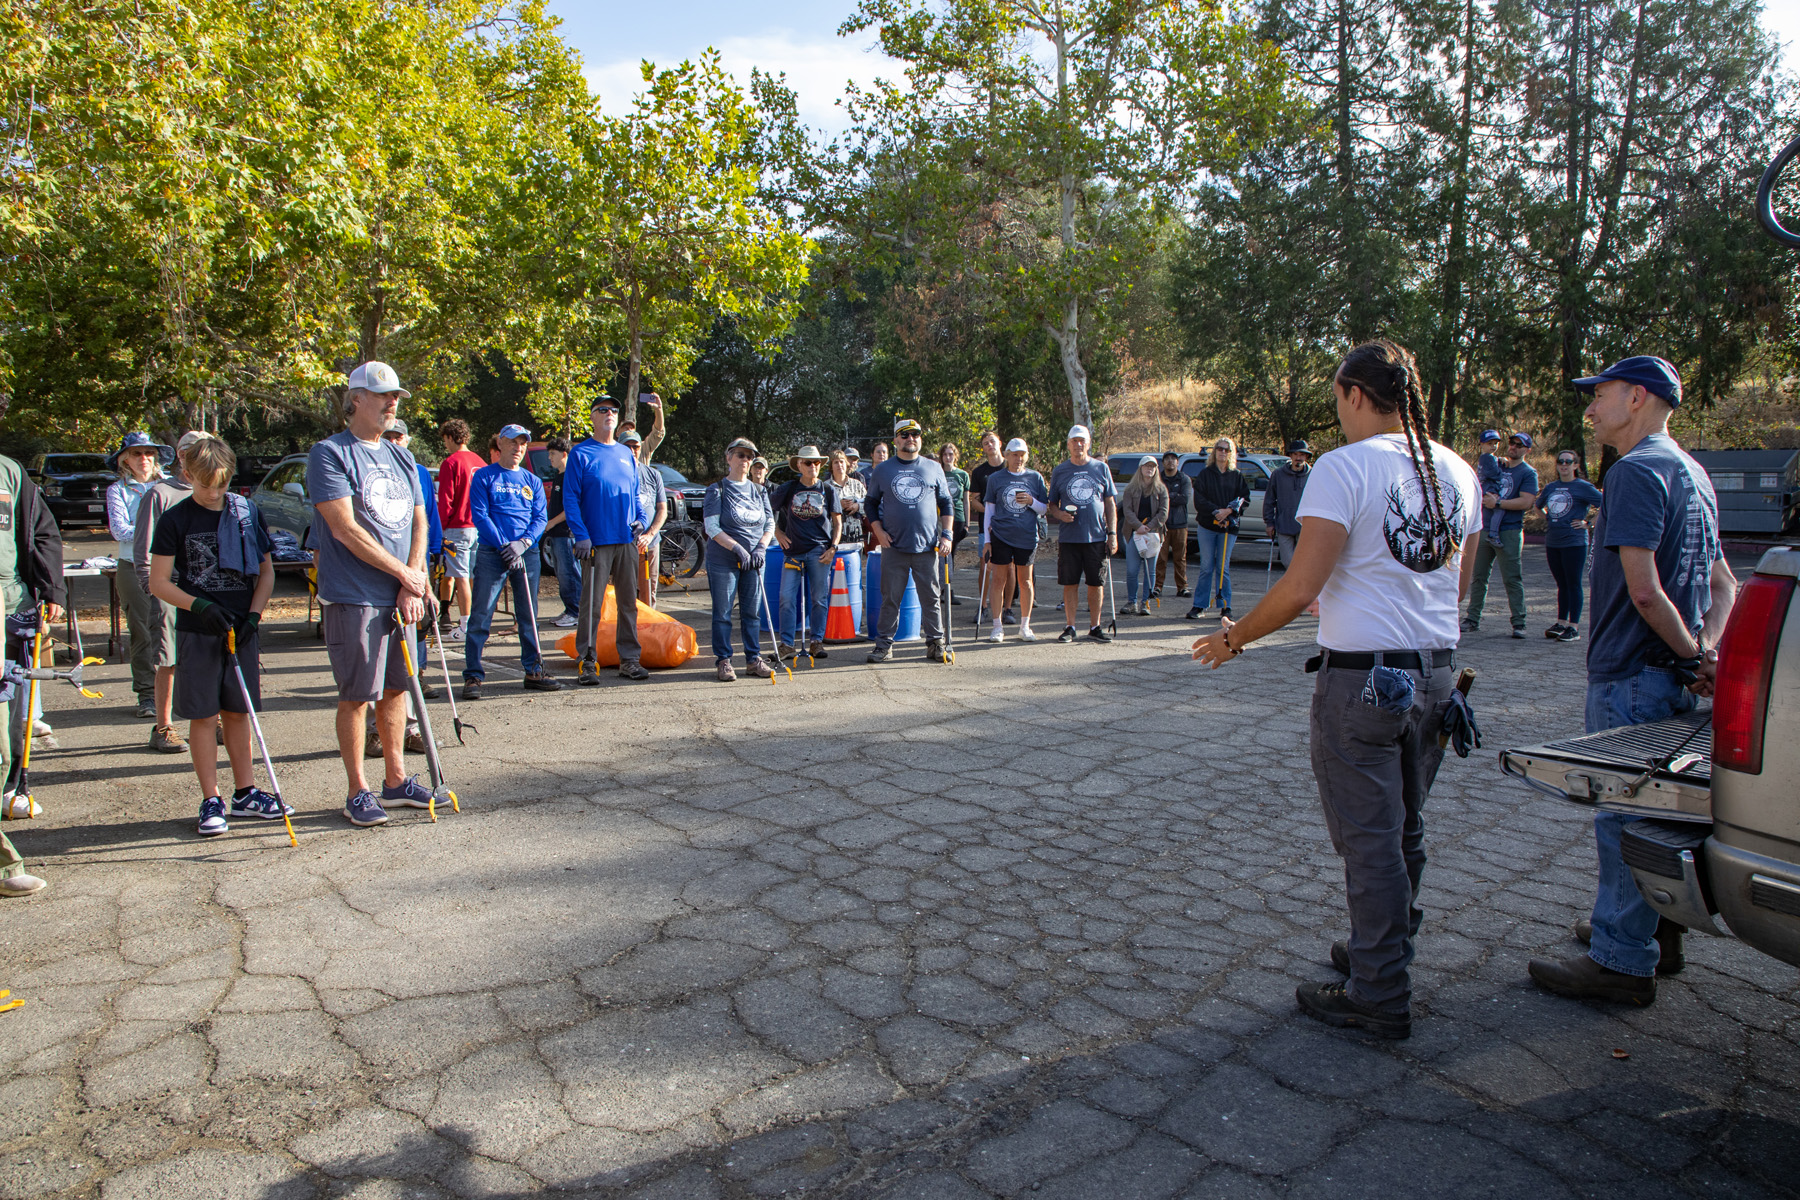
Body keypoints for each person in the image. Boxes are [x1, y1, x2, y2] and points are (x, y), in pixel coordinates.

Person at [1192, 338, 1479, 1040]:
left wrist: (1233, 638)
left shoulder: (1343, 467)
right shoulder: (1458, 470)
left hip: (1364, 681)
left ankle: (1378, 991)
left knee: (1371, 839)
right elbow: (1456, 586)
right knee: (1405, 826)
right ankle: (1384, 947)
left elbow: (1300, 587)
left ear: (1354, 393)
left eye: (1337, 400)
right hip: (1437, 673)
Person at [1528, 356, 1736, 1007]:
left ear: (1638, 397)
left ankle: (1620, 959)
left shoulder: (1635, 471)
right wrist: (1705, 652)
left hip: (1633, 674)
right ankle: (1657, 931)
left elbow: (1644, 592)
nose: (1590, 410)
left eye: (1601, 395)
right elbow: (1725, 583)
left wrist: (1689, 654)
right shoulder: (1693, 473)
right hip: (1671, 675)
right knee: (1663, 812)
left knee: (1623, 814)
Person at [309, 361, 437, 828]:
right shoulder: (329, 453)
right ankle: (357, 791)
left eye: (396, 396)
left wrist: (412, 580)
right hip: (354, 593)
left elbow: (419, 521)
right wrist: (404, 574)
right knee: (358, 694)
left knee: (399, 687)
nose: (392, 403)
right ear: (356, 399)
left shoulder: (402, 456)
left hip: (401, 594)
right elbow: (344, 529)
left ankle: (396, 781)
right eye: (384, 395)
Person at [147, 433, 287, 838]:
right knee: (205, 716)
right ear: (188, 474)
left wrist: (254, 616)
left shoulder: (247, 512)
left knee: (239, 712)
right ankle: (211, 798)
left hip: (241, 629)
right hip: (200, 629)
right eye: (206, 485)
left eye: (222, 484)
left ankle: (246, 792)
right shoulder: (175, 519)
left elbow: (266, 572)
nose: (215, 493)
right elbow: (158, 582)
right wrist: (200, 606)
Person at [0, 447, 66, 891]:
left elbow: (42, 531)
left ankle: (11, 788)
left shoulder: (9, 472)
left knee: (8, 724)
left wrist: (50, 587)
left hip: (9, 606)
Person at [461, 423, 560, 699]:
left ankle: (534, 670)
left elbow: (540, 518)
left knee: (528, 614)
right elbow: (480, 515)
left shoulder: (532, 481)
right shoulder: (484, 476)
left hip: (526, 553)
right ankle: (473, 676)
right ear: (500, 444)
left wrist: (523, 543)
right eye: (513, 442)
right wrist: (504, 544)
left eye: (523, 443)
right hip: (493, 553)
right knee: (481, 614)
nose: (518, 448)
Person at [564, 397, 651, 684]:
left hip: (626, 539)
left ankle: (629, 659)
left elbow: (636, 494)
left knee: (628, 603)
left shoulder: (626, 454)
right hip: (595, 542)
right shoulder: (581, 453)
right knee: (591, 604)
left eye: (613, 410)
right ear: (592, 417)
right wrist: (581, 535)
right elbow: (570, 499)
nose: (609, 414)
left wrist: (641, 519)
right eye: (602, 410)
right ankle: (587, 660)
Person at [866, 418, 954, 663]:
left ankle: (936, 644)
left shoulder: (933, 467)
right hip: (894, 547)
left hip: (927, 547)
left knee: (931, 598)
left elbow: (946, 502)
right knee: (890, 599)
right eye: (904, 435)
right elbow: (870, 503)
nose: (910, 438)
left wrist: (947, 534)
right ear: (896, 440)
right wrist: (878, 531)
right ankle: (884, 646)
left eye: (915, 434)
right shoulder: (883, 470)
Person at [134, 431, 200, 754]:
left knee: (206, 655)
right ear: (182, 456)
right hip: (168, 588)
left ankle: (211, 719)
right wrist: (152, 587)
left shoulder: (213, 492)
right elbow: (144, 546)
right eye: (197, 453)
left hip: (203, 589)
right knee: (167, 659)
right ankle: (163, 727)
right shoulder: (160, 494)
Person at [106, 432, 168, 718]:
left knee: (176, 629)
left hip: (170, 565)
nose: (144, 458)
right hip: (132, 565)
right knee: (142, 631)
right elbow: (120, 531)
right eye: (136, 453)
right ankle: (147, 694)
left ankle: (180, 692)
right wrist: (159, 529)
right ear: (125, 460)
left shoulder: (169, 484)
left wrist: (147, 530)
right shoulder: (116, 490)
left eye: (149, 452)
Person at [705, 438, 776, 681]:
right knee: (723, 612)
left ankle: (753, 659)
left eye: (749, 456)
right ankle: (723, 660)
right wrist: (736, 547)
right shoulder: (717, 489)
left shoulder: (760, 490)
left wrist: (761, 547)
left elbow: (770, 523)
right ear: (729, 458)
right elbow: (712, 527)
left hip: (754, 561)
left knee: (752, 612)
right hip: (723, 560)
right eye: (740, 455)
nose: (745, 460)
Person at [1462, 432, 1538, 638]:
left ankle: (1519, 622)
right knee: (1479, 577)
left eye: (1520, 445)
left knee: (1512, 578)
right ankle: (1472, 618)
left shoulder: (1528, 473)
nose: (1514, 447)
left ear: (1527, 450)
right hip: (1485, 528)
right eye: (1512, 443)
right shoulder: (1497, 464)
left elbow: (1526, 502)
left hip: (1509, 531)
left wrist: (1497, 503)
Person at [1047, 424, 1118, 643]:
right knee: (1070, 583)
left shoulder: (1101, 468)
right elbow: (1052, 504)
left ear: (1088, 444)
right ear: (1068, 445)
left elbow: (1110, 503)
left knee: (1096, 583)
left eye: (1082, 441)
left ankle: (1095, 626)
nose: (1078, 444)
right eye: (1074, 441)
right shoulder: (1060, 470)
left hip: (1096, 536)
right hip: (1070, 538)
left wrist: (1112, 534)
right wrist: (1060, 515)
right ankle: (1070, 626)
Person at [771, 446, 841, 660]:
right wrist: (777, 533)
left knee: (819, 598)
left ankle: (816, 641)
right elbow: (766, 509)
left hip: (820, 551)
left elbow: (838, 522)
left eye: (817, 462)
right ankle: (786, 645)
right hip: (793, 552)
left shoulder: (828, 489)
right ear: (799, 465)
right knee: (786, 597)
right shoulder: (789, 488)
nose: (813, 466)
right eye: (808, 462)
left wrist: (833, 547)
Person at [980, 438, 1046, 643]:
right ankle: (997, 626)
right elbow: (989, 511)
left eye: (1022, 455)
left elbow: (1044, 508)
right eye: (1015, 455)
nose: (1018, 459)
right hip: (1001, 535)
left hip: (1027, 536)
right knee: (998, 579)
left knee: (1025, 581)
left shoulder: (1035, 477)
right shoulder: (996, 478)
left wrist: (1031, 501)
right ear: (1006, 455)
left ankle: (1025, 626)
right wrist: (987, 541)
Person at [1536, 451, 1603, 642]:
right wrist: (1548, 519)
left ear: (1575, 465)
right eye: (1560, 461)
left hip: (1574, 542)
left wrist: (1588, 524)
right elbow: (1537, 506)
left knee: (1573, 583)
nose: (1564, 465)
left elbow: (1606, 505)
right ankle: (1561, 623)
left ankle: (1574, 627)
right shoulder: (1551, 487)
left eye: (1568, 461)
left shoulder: (1583, 487)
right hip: (1553, 541)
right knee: (1561, 584)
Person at [1187, 437, 1249, 620]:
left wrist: (1228, 511)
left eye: (1226, 450)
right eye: (1220, 449)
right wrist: (1216, 512)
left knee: (1223, 567)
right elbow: (1199, 499)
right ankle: (1199, 605)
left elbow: (1244, 499)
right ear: (1214, 452)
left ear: (1231, 453)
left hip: (1229, 528)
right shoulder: (1205, 474)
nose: (1223, 452)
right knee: (1206, 566)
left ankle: (1225, 606)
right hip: (1207, 526)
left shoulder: (1236, 475)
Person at [436, 419, 484, 642]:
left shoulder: (450, 463)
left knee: (460, 576)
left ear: (449, 437)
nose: (445, 444)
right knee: (473, 576)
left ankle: (465, 625)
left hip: (457, 527)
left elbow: (445, 499)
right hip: (478, 527)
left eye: (445, 440)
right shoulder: (480, 461)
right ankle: (476, 621)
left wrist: (441, 528)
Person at [622, 428, 668, 607]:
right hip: (625, 544)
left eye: (635, 447)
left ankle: (648, 623)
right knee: (627, 592)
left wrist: (650, 535)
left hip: (650, 543)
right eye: (627, 447)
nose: (632, 450)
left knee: (649, 591)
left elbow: (662, 509)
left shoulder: (653, 475)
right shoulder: (616, 474)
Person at [1119, 456, 1169, 615]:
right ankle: (1131, 602)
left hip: (1153, 535)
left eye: (1153, 467)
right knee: (1132, 570)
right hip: (1134, 534)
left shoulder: (1161, 489)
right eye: (1147, 466)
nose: (1150, 469)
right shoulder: (1130, 489)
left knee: (1150, 571)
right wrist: (1138, 526)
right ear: (1140, 468)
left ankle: (1146, 603)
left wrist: (1149, 526)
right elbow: (1127, 510)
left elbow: (1163, 512)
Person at [541, 437, 579, 628]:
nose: (550, 458)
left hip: (566, 533)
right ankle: (569, 609)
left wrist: (551, 523)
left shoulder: (570, 477)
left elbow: (571, 508)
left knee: (569, 573)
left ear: (564, 454)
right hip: (556, 534)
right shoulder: (558, 476)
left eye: (552, 454)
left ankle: (576, 612)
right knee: (561, 574)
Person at [1263, 439, 1313, 568]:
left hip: (1305, 527)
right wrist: (1269, 522)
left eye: (1302, 455)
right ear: (1290, 456)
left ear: (1306, 457)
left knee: (1303, 563)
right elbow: (1269, 500)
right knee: (1288, 563)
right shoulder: (1278, 474)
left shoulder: (1313, 475)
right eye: (1295, 454)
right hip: (1283, 525)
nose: (1298, 458)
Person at [1155, 451, 1191, 600]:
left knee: (1180, 558)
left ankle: (1182, 587)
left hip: (1180, 524)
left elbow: (1184, 499)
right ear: (1163, 463)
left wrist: (1167, 497)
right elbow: (1155, 499)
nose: (1170, 461)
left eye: (1173, 459)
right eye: (1167, 459)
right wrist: (1173, 496)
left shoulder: (1184, 479)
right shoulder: (1158, 478)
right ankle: (1157, 587)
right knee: (1160, 558)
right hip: (1161, 525)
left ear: (1177, 462)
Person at [939, 442, 971, 605]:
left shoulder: (962, 475)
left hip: (958, 518)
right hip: (942, 519)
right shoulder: (939, 473)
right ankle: (941, 589)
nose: (948, 457)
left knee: (951, 555)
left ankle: (948, 589)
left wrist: (967, 523)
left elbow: (966, 500)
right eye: (945, 454)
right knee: (942, 555)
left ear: (955, 456)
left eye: (951, 454)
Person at [1473, 429, 1503, 544]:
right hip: (1489, 488)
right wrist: (1502, 472)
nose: (1493, 446)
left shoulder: (1490, 457)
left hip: (1486, 487)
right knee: (1499, 510)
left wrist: (1499, 460)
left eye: (1495, 443)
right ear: (1482, 444)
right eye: (1489, 443)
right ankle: (1493, 534)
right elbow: (1493, 473)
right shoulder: (1487, 457)